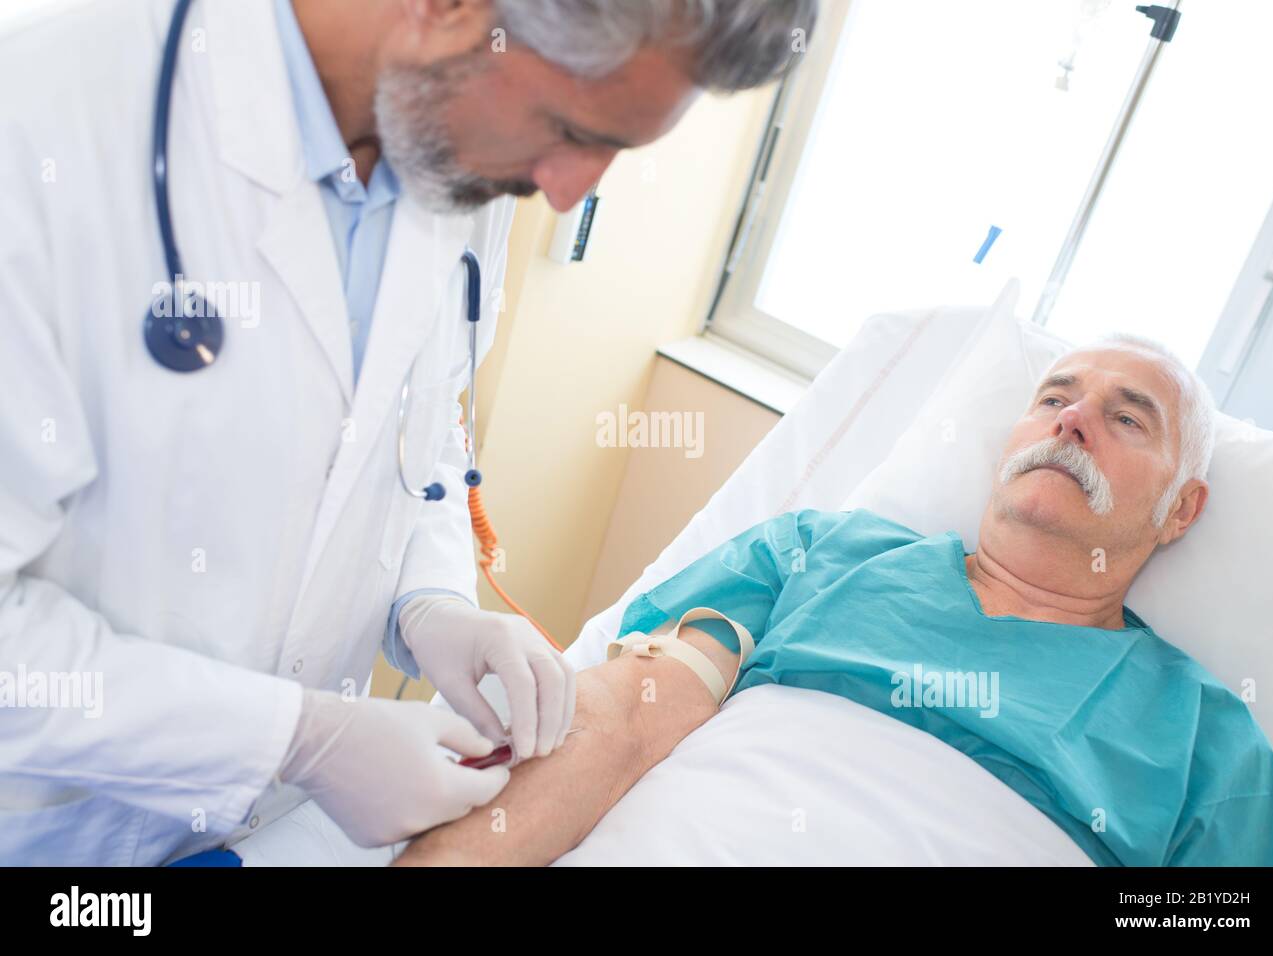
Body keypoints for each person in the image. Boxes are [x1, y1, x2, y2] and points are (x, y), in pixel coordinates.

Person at [0, 0, 819, 865]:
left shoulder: (457, 154)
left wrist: (432, 602)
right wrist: (295, 737)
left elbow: (421, 432)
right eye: (571, 128)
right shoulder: (41, 129)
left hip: (262, 830)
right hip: (54, 829)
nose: (571, 188)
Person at [395, 335, 1273, 867]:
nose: (1070, 419)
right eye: (1055, 397)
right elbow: (624, 723)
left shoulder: (1205, 739)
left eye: (1125, 417)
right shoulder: (817, 553)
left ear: (1182, 509)